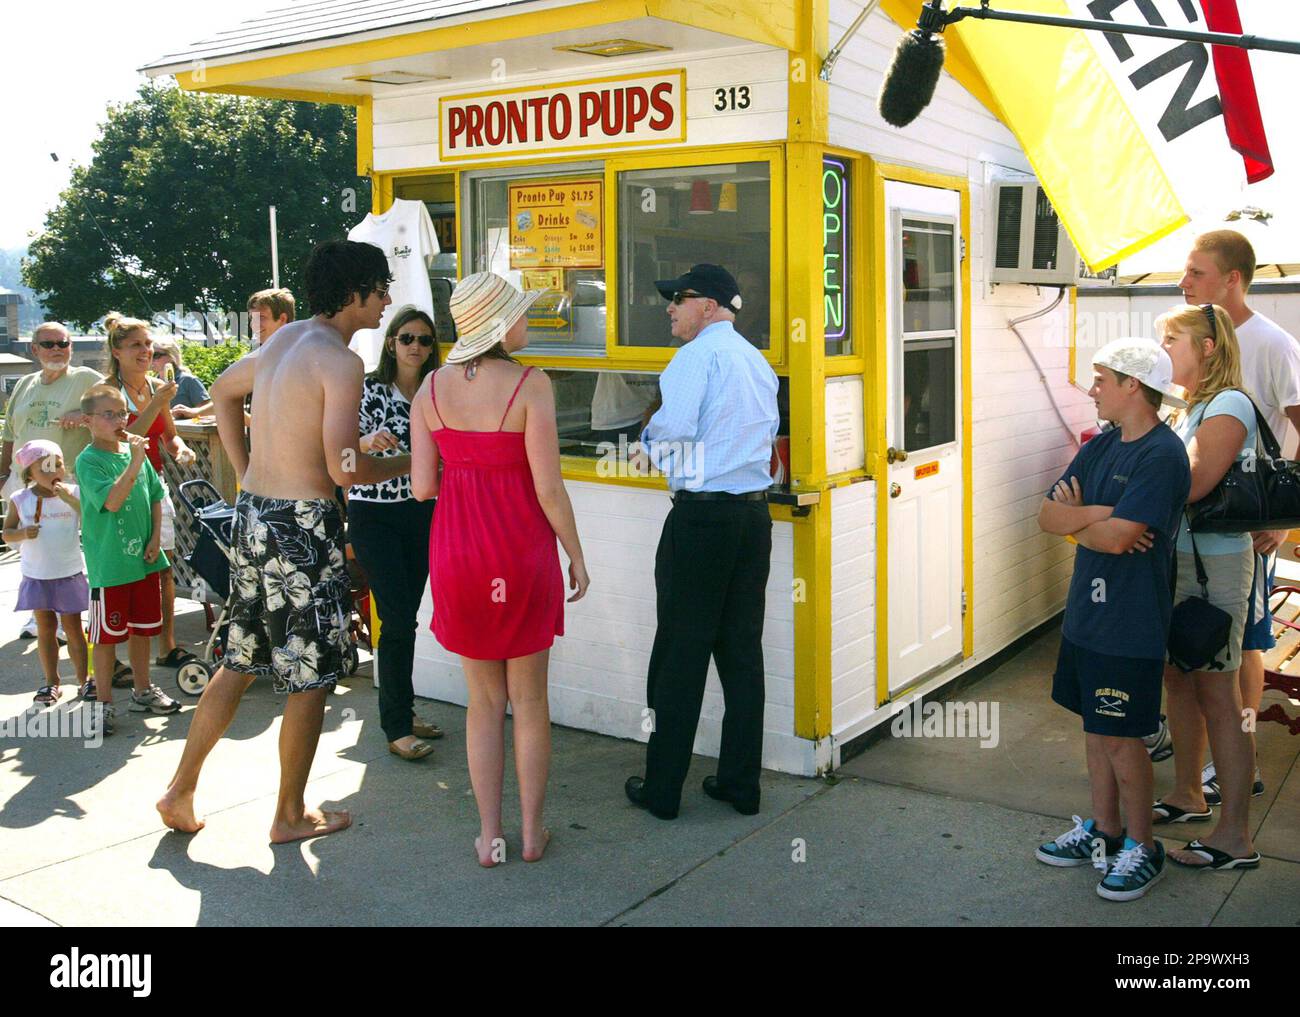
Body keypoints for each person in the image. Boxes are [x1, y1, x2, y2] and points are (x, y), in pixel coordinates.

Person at [157, 240, 409, 843]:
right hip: (302, 527)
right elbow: (345, 467)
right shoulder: (340, 360)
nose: (387, 300)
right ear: (354, 292)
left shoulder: (284, 340)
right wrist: (411, 461)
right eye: (381, 287)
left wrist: (246, 473)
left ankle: (179, 789)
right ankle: (290, 815)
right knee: (311, 675)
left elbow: (221, 391)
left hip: (254, 516)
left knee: (239, 660)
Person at [410, 271, 588, 866]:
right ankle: (533, 834)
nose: (527, 321)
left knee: (482, 702)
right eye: (519, 313)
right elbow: (549, 487)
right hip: (521, 553)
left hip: (459, 554)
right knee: (529, 700)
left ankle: (490, 837)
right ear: (496, 322)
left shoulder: (429, 390)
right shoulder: (530, 384)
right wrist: (576, 553)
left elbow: (420, 487)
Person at [1035, 338, 1190, 901]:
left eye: (1102, 379)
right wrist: (1097, 518)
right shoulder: (1101, 447)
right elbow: (1048, 515)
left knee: (1124, 737)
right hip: (1085, 619)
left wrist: (1088, 521)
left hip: (1131, 623)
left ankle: (1143, 846)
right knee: (1095, 730)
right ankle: (1104, 832)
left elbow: (1127, 538)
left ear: (1133, 386)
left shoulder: (1163, 455)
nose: (1093, 389)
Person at [624, 264, 779, 820]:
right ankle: (741, 785)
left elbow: (675, 428)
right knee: (741, 655)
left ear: (709, 306)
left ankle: (663, 789)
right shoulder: (756, 361)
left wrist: (646, 444)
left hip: (701, 522)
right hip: (751, 520)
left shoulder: (695, 357)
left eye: (679, 299)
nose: (669, 308)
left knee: (680, 656)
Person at [1178, 230, 1296, 804]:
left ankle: (1239, 762)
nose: (1183, 283)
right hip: (1199, 535)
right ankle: (1204, 758)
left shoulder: (1272, 344)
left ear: (1233, 279)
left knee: (1245, 644)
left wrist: (1284, 517)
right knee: (1202, 649)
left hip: (1244, 532)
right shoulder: (1195, 341)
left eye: (1196, 273)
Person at [1154, 303, 1261, 871]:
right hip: (1184, 562)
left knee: (1221, 695)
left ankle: (1235, 837)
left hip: (1215, 567)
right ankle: (1188, 793)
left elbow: (1192, 482)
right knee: (1180, 677)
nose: (1164, 350)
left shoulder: (1229, 404)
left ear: (1208, 348)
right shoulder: (1189, 405)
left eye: (1172, 340)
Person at [349, 305, 443, 760]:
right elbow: (343, 450)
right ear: (391, 343)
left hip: (423, 511)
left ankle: (402, 712)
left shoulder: (438, 389)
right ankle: (396, 726)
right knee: (398, 618)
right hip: (375, 515)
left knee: (407, 618)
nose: (416, 347)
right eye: (407, 338)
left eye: (425, 340)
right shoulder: (368, 387)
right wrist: (367, 442)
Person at [75, 385, 182, 737]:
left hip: (145, 562)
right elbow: (113, 501)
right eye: (109, 414)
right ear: (89, 421)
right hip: (111, 567)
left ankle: (143, 689)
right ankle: (103, 703)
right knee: (106, 637)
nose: (120, 420)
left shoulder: (130, 452)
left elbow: (154, 496)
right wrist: (136, 460)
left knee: (143, 630)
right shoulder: (88, 460)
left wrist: (155, 538)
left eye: (122, 413)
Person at [0, 322, 108, 651]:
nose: (57, 349)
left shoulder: (86, 379)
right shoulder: (26, 384)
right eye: (48, 344)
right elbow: (8, 433)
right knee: (31, 550)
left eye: (63, 342)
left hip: (66, 479)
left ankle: (68, 616)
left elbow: (116, 412)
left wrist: (84, 414)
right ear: (34, 350)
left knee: (67, 550)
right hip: (23, 481)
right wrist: (3, 473)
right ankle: (41, 614)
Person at [103, 314, 198, 671]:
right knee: (121, 572)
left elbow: (167, 434)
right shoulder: (108, 391)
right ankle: (112, 657)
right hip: (119, 485)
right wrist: (158, 402)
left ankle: (167, 646)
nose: (145, 351)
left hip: (153, 483)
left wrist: (180, 449)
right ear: (117, 351)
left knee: (162, 566)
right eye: (136, 345)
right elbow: (122, 440)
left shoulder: (157, 385)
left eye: (148, 345)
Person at [2, 439, 89, 707]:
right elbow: (7, 534)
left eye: (58, 464)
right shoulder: (20, 499)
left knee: (74, 628)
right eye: (45, 467)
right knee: (46, 628)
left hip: (69, 572)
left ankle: (84, 680)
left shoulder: (74, 492)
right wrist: (22, 533)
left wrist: (69, 499)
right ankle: (52, 681)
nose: (54, 472)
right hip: (37, 575)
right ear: (29, 473)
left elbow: (90, 517)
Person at [149, 336, 212, 419]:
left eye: (156, 355)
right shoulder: (151, 383)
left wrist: (188, 412)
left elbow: (207, 411)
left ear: (172, 356)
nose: (151, 359)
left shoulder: (188, 380)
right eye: (149, 355)